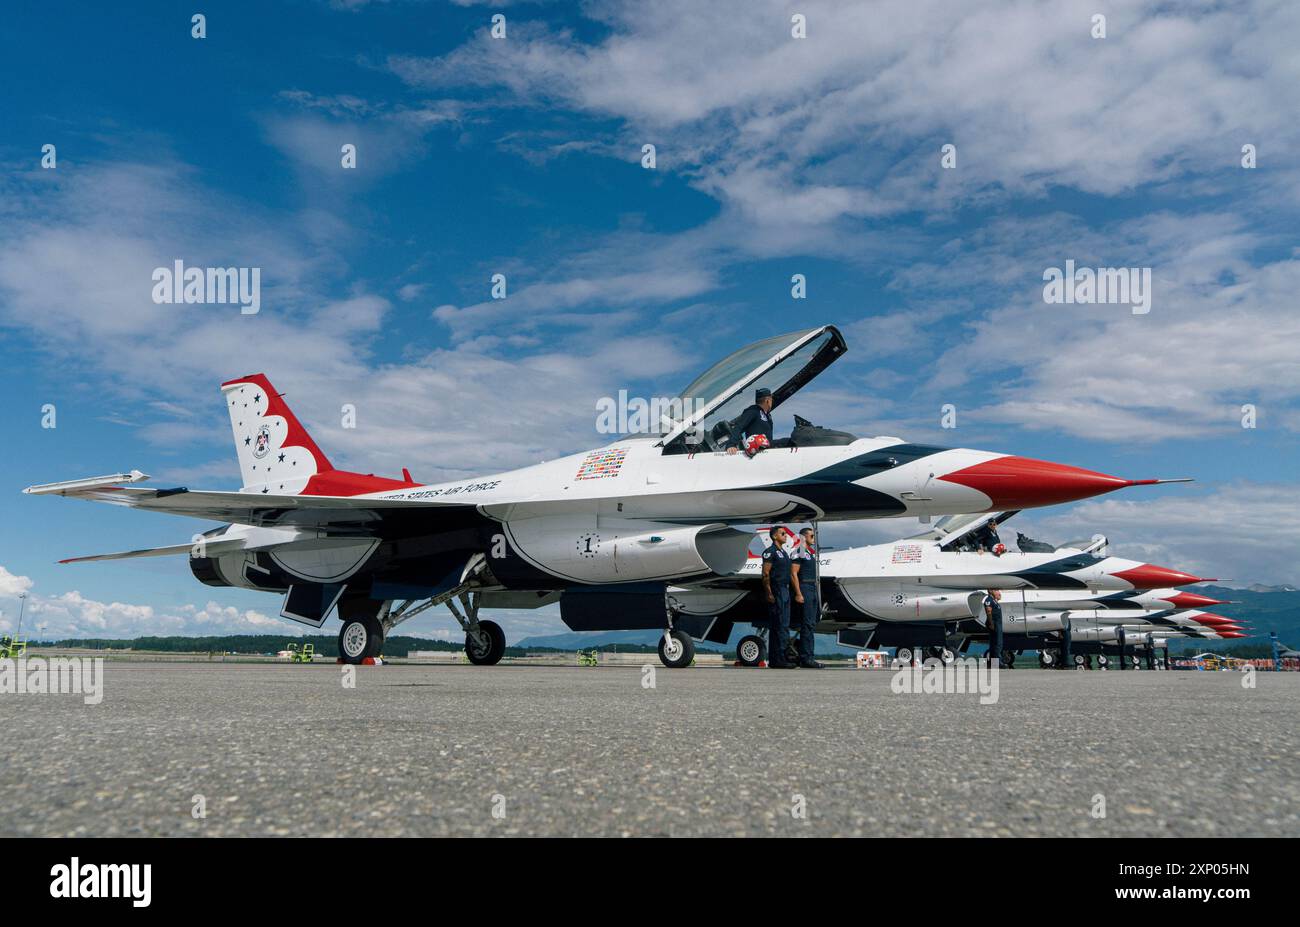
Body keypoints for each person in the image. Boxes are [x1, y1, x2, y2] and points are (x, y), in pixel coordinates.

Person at [761, 525, 802, 668]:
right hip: (777, 590)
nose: (785, 535)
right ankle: (778, 659)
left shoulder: (783, 553)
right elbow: (766, 574)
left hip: (785, 590)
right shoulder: (769, 552)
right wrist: (769, 593)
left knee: (784, 625)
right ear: (774, 536)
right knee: (778, 626)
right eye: (782, 533)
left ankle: (780, 658)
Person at [792, 527, 823, 668]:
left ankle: (808, 656)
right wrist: (798, 593)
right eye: (811, 535)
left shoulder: (810, 553)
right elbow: (793, 573)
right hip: (805, 587)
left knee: (811, 624)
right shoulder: (800, 551)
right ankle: (806, 658)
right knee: (807, 625)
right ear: (804, 537)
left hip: (812, 588)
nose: (813, 537)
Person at [727, 387, 774, 454]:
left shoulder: (767, 416)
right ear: (767, 400)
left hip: (767, 448)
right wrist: (731, 444)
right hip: (758, 448)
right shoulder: (753, 410)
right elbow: (739, 426)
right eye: (771, 399)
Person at [983, 589, 1003, 667]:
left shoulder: (994, 601)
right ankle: (997, 663)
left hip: (997, 624)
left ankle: (993, 663)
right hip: (994, 624)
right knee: (998, 644)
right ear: (990, 591)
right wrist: (991, 623)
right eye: (996, 590)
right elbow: (988, 611)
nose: (999, 593)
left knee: (994, 644)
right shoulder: (989, 600)